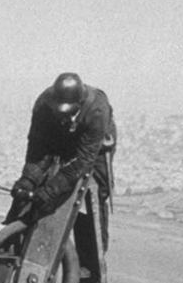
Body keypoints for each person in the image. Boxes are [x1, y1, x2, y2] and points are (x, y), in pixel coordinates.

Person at [9, 72, 117, 248]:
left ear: (78, 105)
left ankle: (90, 257)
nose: (62, 116)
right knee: (28, 189)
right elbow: (37, 149)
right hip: (59, 136)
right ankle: (10, 243)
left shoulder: (97, 110)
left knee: (94, 193)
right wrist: (28, 179)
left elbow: (82, 161)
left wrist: (51, 191)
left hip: (94, 147)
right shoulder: (43, 105)